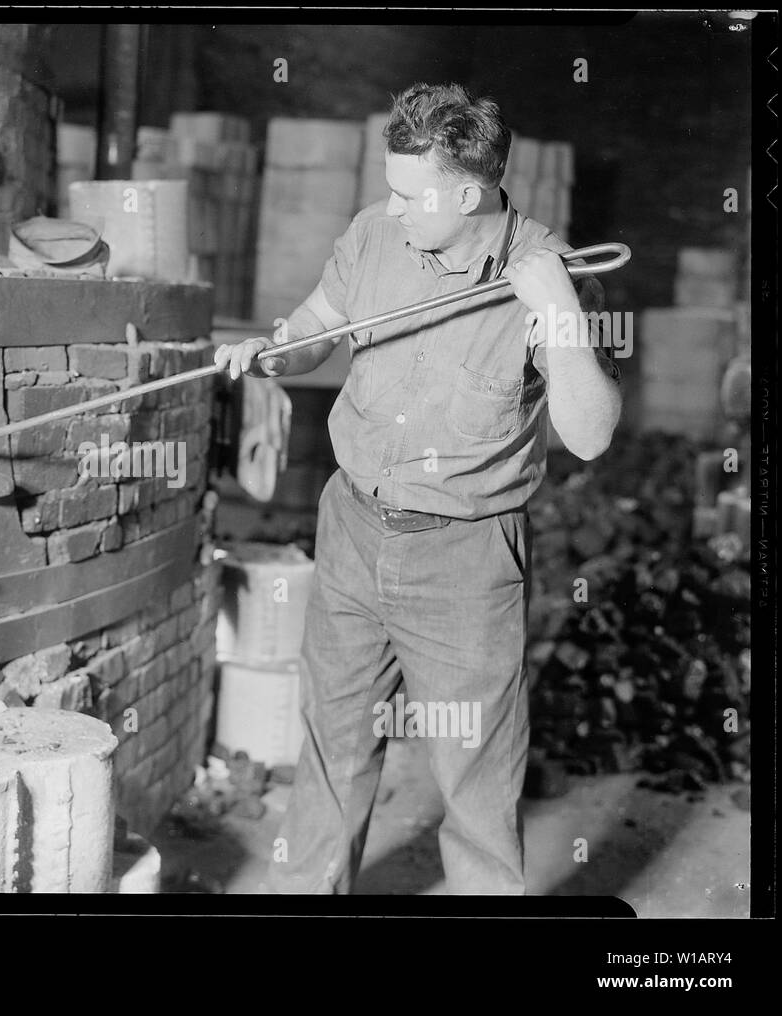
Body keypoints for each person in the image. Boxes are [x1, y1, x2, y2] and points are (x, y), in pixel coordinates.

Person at [216, 82, 622, 894]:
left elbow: (592, 433)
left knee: (475, 775)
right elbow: (315, 328)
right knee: (333, 745)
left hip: (465, 560)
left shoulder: (555, 276)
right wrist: (269, 350)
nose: (391, 207)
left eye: (409, 193)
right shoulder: (374, 233)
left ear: (467, 191)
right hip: (352, 531)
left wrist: (561, 315)